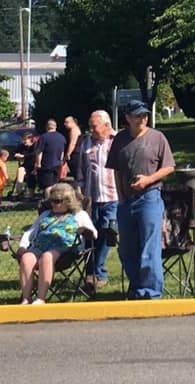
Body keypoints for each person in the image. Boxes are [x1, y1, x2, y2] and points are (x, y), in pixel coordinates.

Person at [106, 99, 175, 299]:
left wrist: (148, 180)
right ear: (127, 118)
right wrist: (120, 198)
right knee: (127, 250)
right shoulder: (120, 139)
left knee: (148, 248)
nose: (142, 119)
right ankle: (137, 288)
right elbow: (116, 171)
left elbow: (169, 166)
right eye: (137, 115)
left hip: (150, 198)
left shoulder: (157, 137)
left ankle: (151, 292)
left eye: (144, 115)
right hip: (126, 202)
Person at [15, 182, 96, 305]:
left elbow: (94, 234)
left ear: (68, 201)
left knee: (47, 256)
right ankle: (26, 298)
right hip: (40, 246)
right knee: (26, 258)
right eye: (51, 200)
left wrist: (85, 231)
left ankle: (41, 298)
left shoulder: (79, 215)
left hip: (66, 249)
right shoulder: (46, 214)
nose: (53, 204)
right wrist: (22, 246)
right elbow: (30, 232)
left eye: (57, 201)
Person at [79, 109, 118, 289]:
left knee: (105, 233)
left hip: (112, 197)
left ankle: (98, 272)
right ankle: (91, 272)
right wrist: (80, 190)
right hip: (91, 197)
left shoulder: (117, 141)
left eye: (94, 126)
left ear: (107, 125)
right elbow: (81, 169)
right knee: (90, 235)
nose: (91, 130)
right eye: (90, 126)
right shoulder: (86, 143)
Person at [35, 119, 67, 192]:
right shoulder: (62, 137)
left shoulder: (44, 137)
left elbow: (39, 152)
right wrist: (61, 162)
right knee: (55, 185)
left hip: (47, 164)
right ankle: (54, 201)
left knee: (47, 186)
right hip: (58, 164)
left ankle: (48, 201)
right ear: (55, 127)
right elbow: (62, 151)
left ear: (47, 127)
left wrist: (38, 163)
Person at [12, 131, 37, 198]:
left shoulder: (35, 146)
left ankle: (31, 194)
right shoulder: (21, 146)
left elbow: (34, 154)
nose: (24, 142)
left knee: (31, 176)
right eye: (23, 140)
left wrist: (23, 156)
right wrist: (16, 155)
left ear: (30, 139)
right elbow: (14, 152)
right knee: (20, 170)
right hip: (25, 165)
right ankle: (18, 191)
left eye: (25, 140)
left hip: (34, 166)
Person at [63, 115, 83, 180]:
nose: (64, 124)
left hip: (75, 154)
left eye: (67, 122)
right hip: (77, 153)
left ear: (72, 122)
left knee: (76, 174)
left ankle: (78, 188)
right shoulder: (75, 129)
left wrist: (68, 154)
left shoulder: (73, 130)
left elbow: (73, 143)